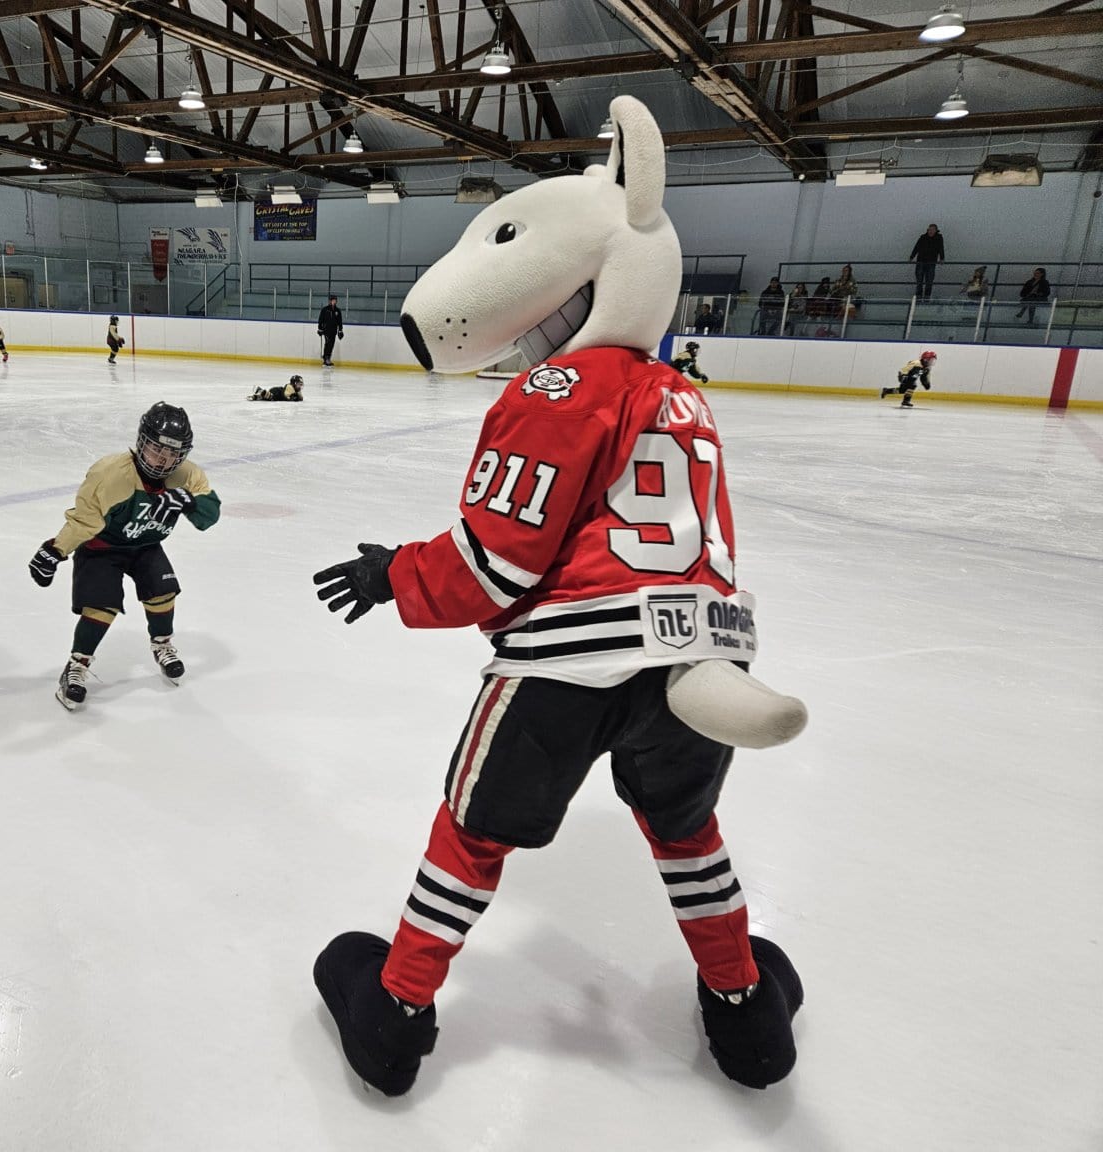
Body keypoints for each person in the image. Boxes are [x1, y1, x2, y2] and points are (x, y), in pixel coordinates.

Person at [311, 94, 802, 1100]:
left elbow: (496, 561)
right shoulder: (685, 395)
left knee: (472, 835)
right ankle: (746, 1010)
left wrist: (392, 573)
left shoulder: (554, 392)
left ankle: (394, 1013)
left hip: (568, 662)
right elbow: (707, 546)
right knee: (685, 833)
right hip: (699, 658)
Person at [27, 403, 222, 710]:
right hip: (102, 548)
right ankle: (77, 664)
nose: (164, 460)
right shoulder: (110, 474)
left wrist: (190, 502)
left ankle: (162, 644)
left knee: (162, 591)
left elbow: (209, 517)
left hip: (145, 545)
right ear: (142, 443)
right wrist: (56, 549)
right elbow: (85, 521)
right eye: (157, 450)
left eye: (173, 453)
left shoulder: (187, 475)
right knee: (101, 606)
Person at [910, 224, 944, 300]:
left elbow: (941, 248)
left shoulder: (939, 238)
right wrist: (912, 257)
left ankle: (926, 298)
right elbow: (916, 247)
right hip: (921, 261)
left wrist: (942, 258)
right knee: (919, 281)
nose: (930, 231)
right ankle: (918, 298)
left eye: (932, 230)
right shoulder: (923, 237)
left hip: (931, 262)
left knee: (929, 281)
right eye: (929, 229)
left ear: (936, 231)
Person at [317, 295, 344, 366]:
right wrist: (320, 329)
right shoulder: (325, 309)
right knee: (328, 343)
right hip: (326, 330)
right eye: (333, 300)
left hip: (333, 331)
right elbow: (320, 319)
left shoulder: (337, 311)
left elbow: (340, 321)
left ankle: (328, 357)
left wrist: (340, 330)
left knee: (332, 344)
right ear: (330, 301)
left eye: (335, 300)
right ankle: (326, 358)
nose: (334, 301)